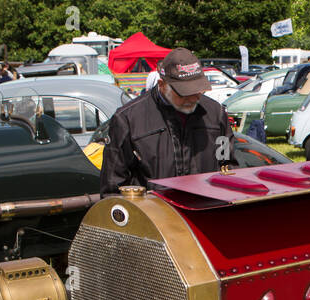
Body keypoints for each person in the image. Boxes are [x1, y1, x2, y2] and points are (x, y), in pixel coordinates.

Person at [100, 47, 234, 193]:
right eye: (184, 93)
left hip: (204, 210)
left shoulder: (215, 114)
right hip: (153, 213)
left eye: (198, 90)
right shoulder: (128, 120)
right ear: (162, 85)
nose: (194, 98)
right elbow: (113, 185)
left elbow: (227, 164)